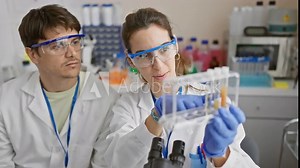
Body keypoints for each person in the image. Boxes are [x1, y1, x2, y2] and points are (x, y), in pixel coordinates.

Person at [103, 8, 260, 168]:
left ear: (175, 46)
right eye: (143, 55)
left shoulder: (211, 102)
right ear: (131, 61)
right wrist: (155, 117)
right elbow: (114, 161)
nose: (158, 65)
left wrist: (221, 155)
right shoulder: (126, 107)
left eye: (164, 49)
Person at [0, 4, 119, 168]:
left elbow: (102, 164)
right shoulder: (5, 99)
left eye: (75, 42)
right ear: (33, 54)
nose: (72, 53)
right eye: (57, 46)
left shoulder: (107, 99)